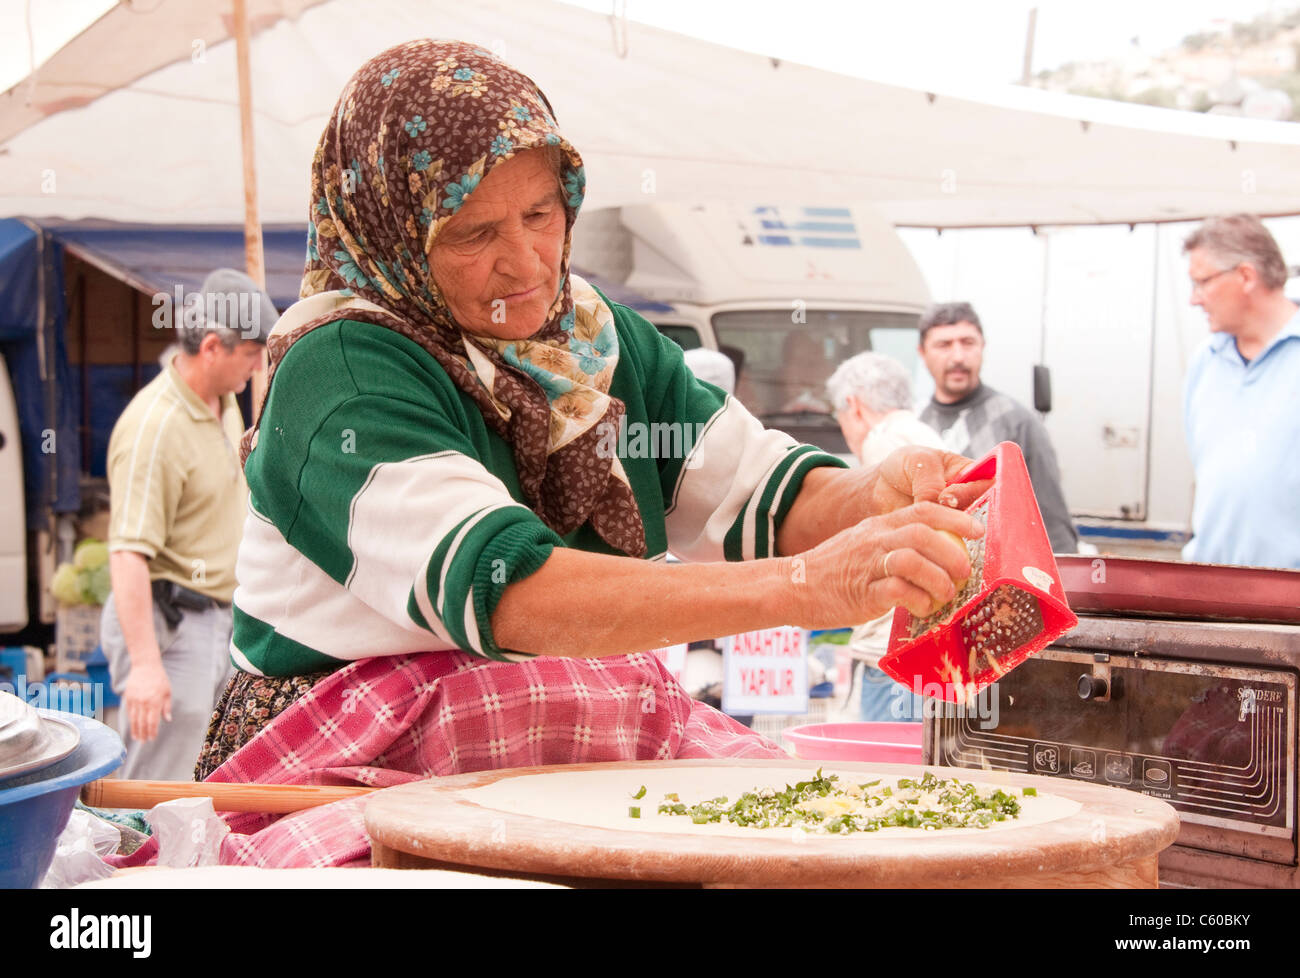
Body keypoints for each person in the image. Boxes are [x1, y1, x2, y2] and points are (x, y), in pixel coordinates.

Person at [147, 40, 984, 870]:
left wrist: (875, 497)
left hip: (557, 752)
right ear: (396, 232)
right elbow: (510, 591)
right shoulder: (340, 374)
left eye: (542, 214)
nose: (526, 261)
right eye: (474, 231)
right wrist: (807, 587)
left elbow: (760, 492)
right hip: (358, 761)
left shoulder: (594, 342)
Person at [101, 268, 272, 781]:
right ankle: (138, 862)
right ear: (214, 347)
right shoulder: (154, 428)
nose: (259, 366)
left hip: (220, 617)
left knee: (202, 775)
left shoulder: (222, 404)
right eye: (251, 354)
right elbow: (128, 554)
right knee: (157, 780)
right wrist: (147, 665)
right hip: (168, 623)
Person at [827, 352, 944, 722]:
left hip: (895, 651)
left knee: (885, 772)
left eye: (841, 419)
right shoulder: (927, 436)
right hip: (931, 647)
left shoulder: (883, 442)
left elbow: (882, 551)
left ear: (853, 406)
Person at [1181, 214, 1300, 569]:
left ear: (1246, 276)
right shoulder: (1205, 362)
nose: (1194, 299)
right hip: (1210, 589)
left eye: (1202, 283)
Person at [917, 302, 1079, 553]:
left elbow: (1053, 524)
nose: (958, 356)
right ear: (922, 353)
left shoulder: (1017, 423)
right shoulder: (913, 423)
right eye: (944, 345)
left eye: (967, 343)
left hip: (1001, 583)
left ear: (982, 347)